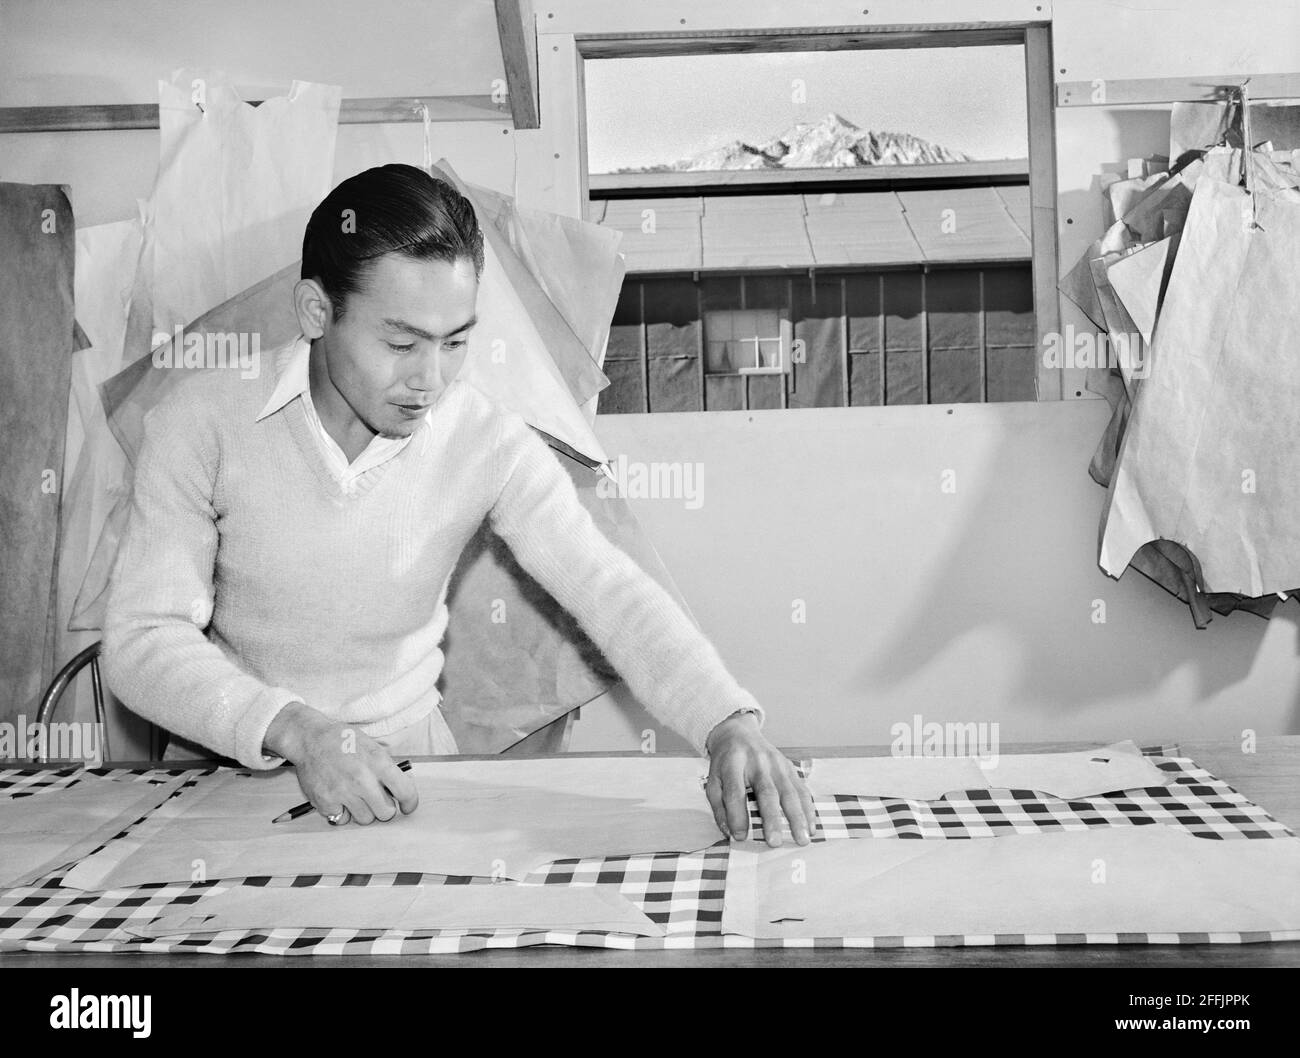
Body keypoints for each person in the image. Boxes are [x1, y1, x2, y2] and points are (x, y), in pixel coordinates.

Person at [103, 163, 813, 848]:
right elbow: (143, 639)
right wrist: (297, 728)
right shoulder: (201, 422)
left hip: (414, 768)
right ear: (316, 310)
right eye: (401, 342)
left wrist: (727, 720)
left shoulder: (485, 441)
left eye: (455, 343)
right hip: (239, 769)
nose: (429, 379)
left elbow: (609, 588)